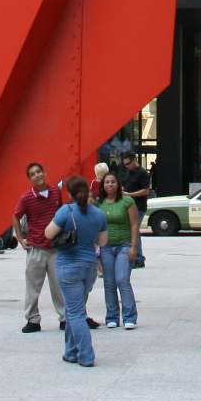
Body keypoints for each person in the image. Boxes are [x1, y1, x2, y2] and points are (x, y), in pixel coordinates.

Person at [45, 176, 108, 367]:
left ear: (69, 193)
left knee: (75, 312)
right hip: (89, 266)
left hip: (68, 264)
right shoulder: (99, 214)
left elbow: (48, 233)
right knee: (74, 308)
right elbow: (102, 242)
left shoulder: (66, 211)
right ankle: (71, 351)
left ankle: (86, 355)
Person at [12, 163, 68, 334]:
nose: (37, 175)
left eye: (38, 172)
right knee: (32, 286)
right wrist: (21, 240)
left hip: (55, 248)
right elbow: (16, 216)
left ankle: (64, 317)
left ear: (44, 172)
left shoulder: (56, 192)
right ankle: (32, 319)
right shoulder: (27, 198)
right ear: (30, 179)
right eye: (33, 174)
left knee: (59, 285)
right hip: (36, 247)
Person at [95, 171, 139, 330]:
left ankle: (129, 317)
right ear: (102, 185)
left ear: (118, 184)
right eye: (107, 182)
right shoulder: (98, 203)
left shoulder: (127, 201)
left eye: (113, 182)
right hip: (106, 247)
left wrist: (134, 247)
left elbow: (135, 224)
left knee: (122, 280)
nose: (110, 185)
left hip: (124, 246)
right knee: (109, 283)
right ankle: (112, 317)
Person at [118, 155, 152, 268]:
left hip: (139, 206)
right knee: (134, 230)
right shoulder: (129, 172)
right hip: (129, 205)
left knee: (134, 230)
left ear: (134, 160)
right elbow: (127, 185)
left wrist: (129, 195)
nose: (127, 166)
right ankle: (137, 256)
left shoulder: (142, 173)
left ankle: (138, 257)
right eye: (125, 164)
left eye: (128, 164)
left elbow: (146, 191)